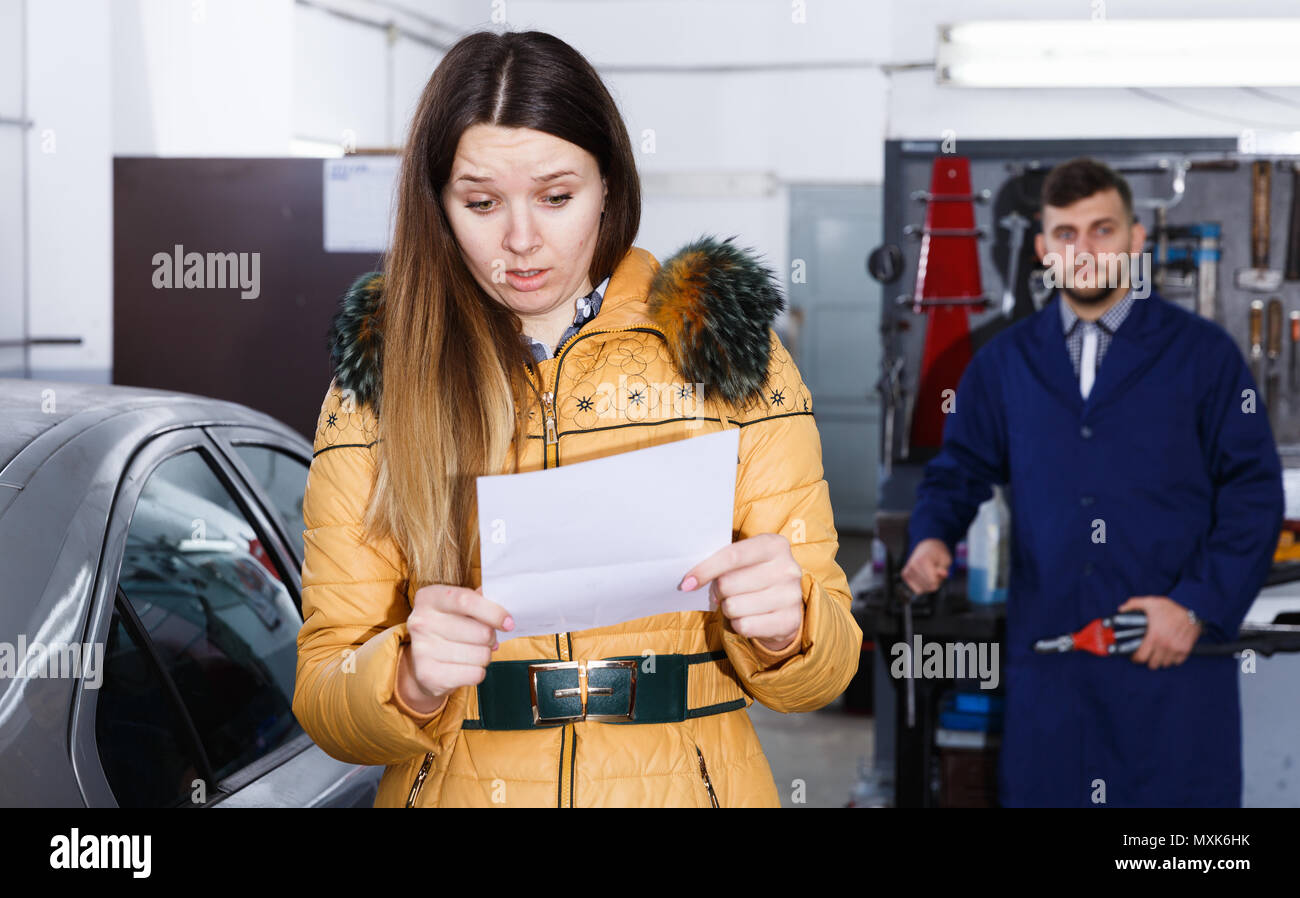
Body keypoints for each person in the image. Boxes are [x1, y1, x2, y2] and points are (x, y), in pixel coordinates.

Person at [291, 29, 863, 808]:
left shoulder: (722, 349)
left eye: (557, 197)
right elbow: (326, 693)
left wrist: (790, 628)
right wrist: (406, 677)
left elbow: (824, 675)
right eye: (482, 202)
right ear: (438, 202)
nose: (521, 240)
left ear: (609, 185)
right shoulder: (379, 383)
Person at [901, 157, 1284, 808]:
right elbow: (958, 469)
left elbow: (1254, 493)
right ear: (1044, 249)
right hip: (1052, 670)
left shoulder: (1203, 356)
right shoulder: (1004, 363)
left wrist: (1196, 605)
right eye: (1067, 234)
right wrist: (932, 536)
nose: (1085, 250)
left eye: (1103, 230)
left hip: (1168, 666)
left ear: (1136, 240)